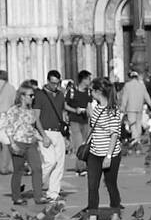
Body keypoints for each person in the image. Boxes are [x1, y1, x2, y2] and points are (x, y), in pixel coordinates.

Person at [77, 79, 124, 220]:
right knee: (92, 186)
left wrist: (108, 156)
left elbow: (114, 135)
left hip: (111, 153)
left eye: (92, 90)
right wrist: (90, 114)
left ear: (98, 92)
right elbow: (94, 129)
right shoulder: (96, 109)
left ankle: (115, 215)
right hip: (94, 152)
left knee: (111, 184)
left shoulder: (113, 110)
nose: (90, 93)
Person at [3, 84, 47, 204]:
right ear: (22, 96)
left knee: (37, 168)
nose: (32, 98)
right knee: (18, 170)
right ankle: (16, 197)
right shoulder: (14, 110)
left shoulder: (31, 111)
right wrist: (13, 144)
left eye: (33, 95)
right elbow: (9, 128)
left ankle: (38, 196)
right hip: (18, 142)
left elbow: (32, 128)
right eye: (30, 95)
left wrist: (42, 138)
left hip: (30, 143)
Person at [33, 70, 68, 202]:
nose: (54, 86)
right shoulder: (39, 95)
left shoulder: (60, 95)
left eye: (57, 83)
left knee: (59, 164)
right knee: (50, 161)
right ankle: (37, 183)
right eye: (52, 83)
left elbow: (63, 111)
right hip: (45, 131)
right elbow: (36, 117)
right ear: (47, 81)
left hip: (58, 131)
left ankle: (53, 192)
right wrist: (43, 136)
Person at [65, 70, 93, 174]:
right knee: (79, 143)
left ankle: (80, 166)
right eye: (89, 79)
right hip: (75, 120)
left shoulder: (89, 92)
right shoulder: (72, 91)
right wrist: (75, 110)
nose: (90, 81)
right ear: (83, 79)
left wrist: (93, 117)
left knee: (85, 144)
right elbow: (65, 105)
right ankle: (81, 168)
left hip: (85, 120)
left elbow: (89, 106)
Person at [119, 69, 151, 147]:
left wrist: (122, 107)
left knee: (132, 124)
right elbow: (147, 96)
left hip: (130, 108)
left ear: (131, 77)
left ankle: (135, 139)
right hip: (139, 107)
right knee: (138, 124)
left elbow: (125, 97)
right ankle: (137, 139)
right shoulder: (141, 85)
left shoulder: (127, 85)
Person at [0, 67, 16, 177]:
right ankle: (6, 167)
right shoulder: (11, 88)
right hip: (6, 116)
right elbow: (14, 104)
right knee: (7, 143)